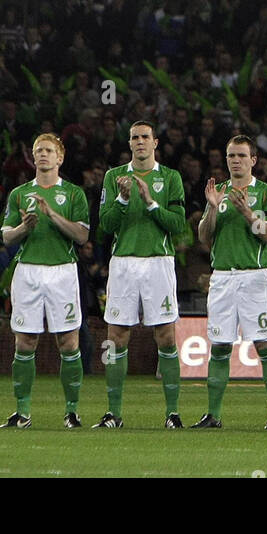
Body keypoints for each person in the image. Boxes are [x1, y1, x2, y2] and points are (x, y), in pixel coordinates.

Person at [95, 120, 188, 428]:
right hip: (123, 263)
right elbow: (105, 227)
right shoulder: (113, 177)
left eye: (145, 137)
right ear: (129, 143)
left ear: (155, 142)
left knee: (165, 335)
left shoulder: (171, 178)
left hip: (159, 262)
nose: (139, 142)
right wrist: (122, 199)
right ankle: (113, 413)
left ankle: (173, 413)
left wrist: (149, 202)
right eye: (134, 137)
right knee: (115, 337)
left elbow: (177, 225)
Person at [192, 135, 267, 430]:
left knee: (264, 343)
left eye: (242, 156)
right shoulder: (217, 192)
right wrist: (211, 208)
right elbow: (204, 239)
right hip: (222, 277)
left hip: (254, 277)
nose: (235, 161)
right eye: (231, 155)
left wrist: (247, 212)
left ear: (253, 160)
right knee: (219, 346)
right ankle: (213, 415)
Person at [0, 133, 91, 429]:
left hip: (62, 271)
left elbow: (82, 236)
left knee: (68, 341)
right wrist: (24, 227)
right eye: (38, 150)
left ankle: (72, 411)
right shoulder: (19, 194)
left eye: (49, 151)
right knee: (25, 341)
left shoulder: (74, 194)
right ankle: (22, 412)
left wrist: (52, 214)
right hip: (28, 271)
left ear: (60, 158)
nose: (42, 155)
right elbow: (6, 236)